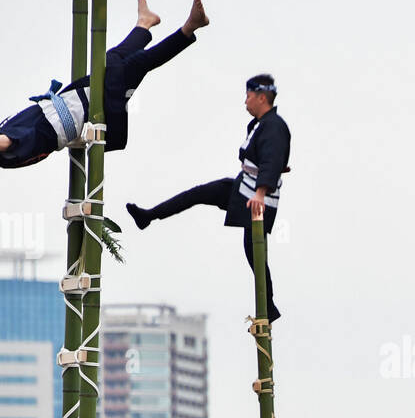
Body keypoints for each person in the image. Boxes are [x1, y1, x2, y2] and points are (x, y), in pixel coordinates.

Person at [0, 0, 208, 169]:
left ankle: (144, 24)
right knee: (134, 65)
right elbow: (5, 142)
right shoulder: (4, 149)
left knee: (113, 59)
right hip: (99, 112)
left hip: (80, 96)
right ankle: (189, 28)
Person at [124, 74, 291, 321]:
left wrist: (260, 192)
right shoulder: (263, 123)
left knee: (254, 251)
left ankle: (268, 307)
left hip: (256, 197)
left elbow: (272, 159)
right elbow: (266, 157)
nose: (245, 102)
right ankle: (149, 215)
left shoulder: (274, 125)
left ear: (262, 97)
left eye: (248, 96)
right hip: (244, 187)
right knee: (199, 194)